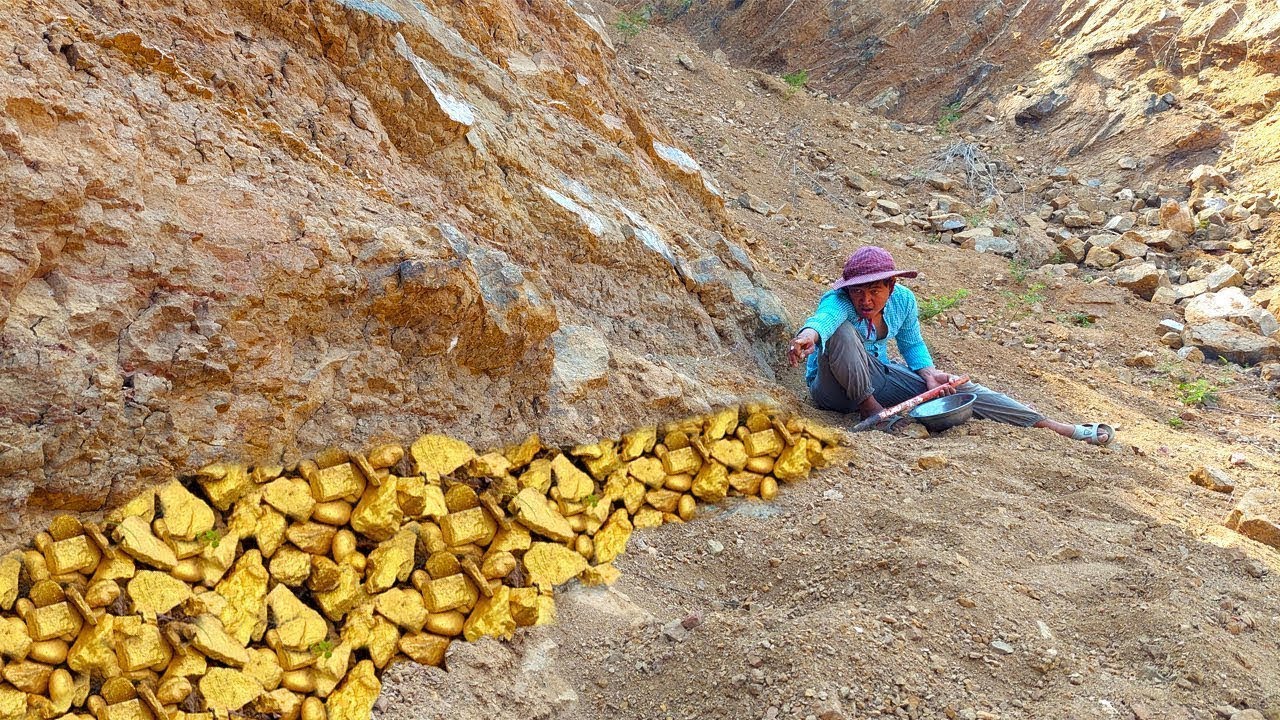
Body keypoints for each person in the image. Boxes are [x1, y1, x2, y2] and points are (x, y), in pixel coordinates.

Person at [787, 246, 1114, 444]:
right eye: (858, 291)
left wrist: (929, 375)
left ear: (891, 284)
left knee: (959, 387)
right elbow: (825, 319)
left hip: (878, 377)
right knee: (843, 332)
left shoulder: (903, 301)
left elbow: (913, 345)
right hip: (832, 391)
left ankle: (1056, 426)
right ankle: (873, 412)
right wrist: (808, 337)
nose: (865, 299)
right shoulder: (839, 300)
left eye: (874, 290)